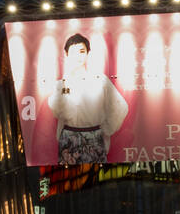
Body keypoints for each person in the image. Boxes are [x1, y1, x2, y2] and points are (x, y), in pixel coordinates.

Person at [47, 33, 128, 165]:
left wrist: (106, 129)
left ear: (87, 54)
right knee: (68, 178)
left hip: (94, 136)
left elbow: (121, 106)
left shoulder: (100, 80)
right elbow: (61, 111)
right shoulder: (61, 84)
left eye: (82, 51)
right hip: (68, 137)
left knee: (95, 178)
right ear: (66, 54)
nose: (78, 56)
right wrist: (68, 81)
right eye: (73, 52)